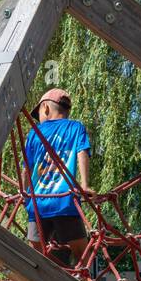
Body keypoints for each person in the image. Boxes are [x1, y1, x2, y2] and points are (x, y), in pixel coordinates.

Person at [22, 87, 94, 263]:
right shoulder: (75, 127)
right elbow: (81, 153)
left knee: (36, 260)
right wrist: (84, 185)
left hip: (38, 202)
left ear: (45, 108)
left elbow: (26, 169)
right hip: (65, 201)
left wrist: (24, 194)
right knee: (82, 258)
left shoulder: (34, 133)